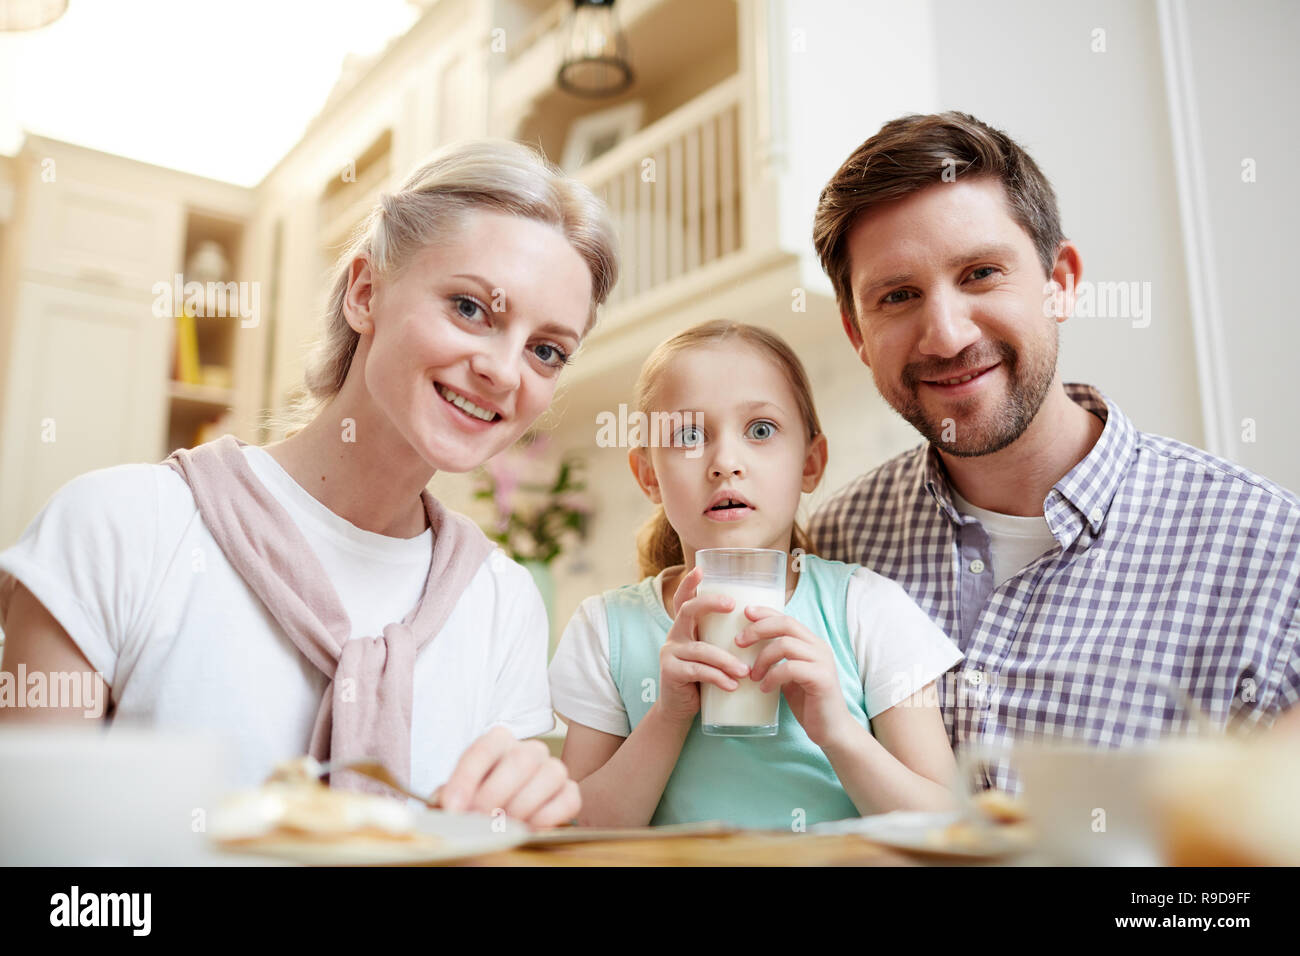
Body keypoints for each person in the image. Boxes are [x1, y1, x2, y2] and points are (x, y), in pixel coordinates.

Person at [0, 140, 619, 828]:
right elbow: (31, 855)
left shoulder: (501, 603)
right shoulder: (119, 526)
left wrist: (509, 829)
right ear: (365, 293)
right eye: (471, 309)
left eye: (546, 351)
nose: (505, 372)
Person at [807, 111, 1300, 788]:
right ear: (857, 332)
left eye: (980, 273)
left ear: (1059, 280)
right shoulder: (830, 547)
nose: (946, 336)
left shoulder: (1269, 551)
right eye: (898, 296)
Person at [547, 320, 963, 828]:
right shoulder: (605, 630)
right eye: (690, 435)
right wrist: (668, 718)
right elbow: (573, 838)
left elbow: (949, 825)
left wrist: (837, 731)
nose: (725, 462)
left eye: (761, 430)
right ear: (649, 475)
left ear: (811, 464)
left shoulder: (868, 609)